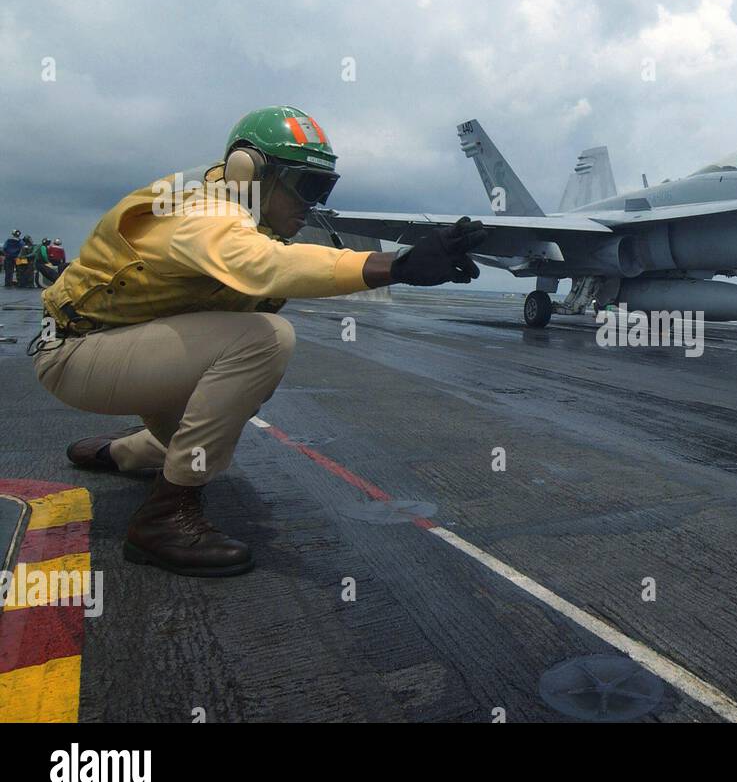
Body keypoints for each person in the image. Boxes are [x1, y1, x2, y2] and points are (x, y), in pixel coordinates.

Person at [30, 105, 485, 577]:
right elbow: (260, 264)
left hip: (126, 348)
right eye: (307, 186)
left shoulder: (245, 216)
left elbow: (265, 266)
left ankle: (123, 452)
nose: (314, 201)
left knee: (218, 409)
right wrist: (397, 265)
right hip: (77, 353)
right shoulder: (198, 210)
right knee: (264, 341)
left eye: (324, 187)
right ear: (249, 171)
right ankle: (164, 518)